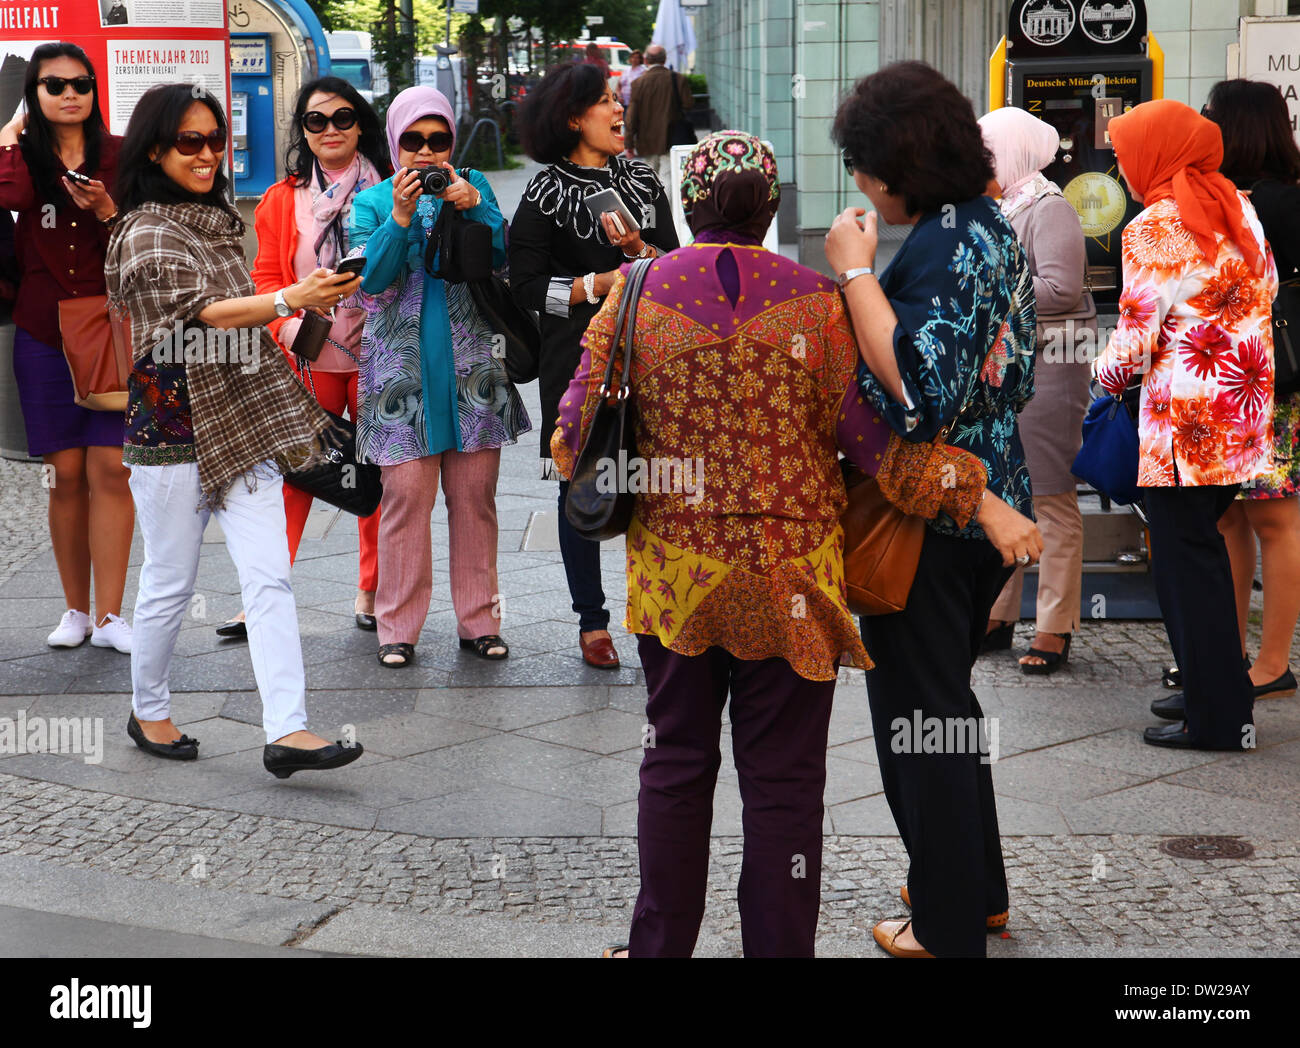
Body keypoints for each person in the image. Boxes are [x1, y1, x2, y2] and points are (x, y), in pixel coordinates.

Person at [552, 131, 997, 957]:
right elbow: (876, 450)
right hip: (796, 586)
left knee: (675, 768)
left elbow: (573, 438)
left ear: (687, 202)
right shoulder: (821, 303)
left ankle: (658, 947)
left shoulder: (637, 292)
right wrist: (981, 500)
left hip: (676, 584)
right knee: (786, 789)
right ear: (770, 209)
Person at [827, 61, 1043, 958]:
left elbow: (916, 392)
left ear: (896, 168)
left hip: (937, 519)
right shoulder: (986, 222)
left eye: (864, 167)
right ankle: (975, 893)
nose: (860, 185)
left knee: (922, 731)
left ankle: (949, 922)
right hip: (981, 502)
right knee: (944, 715)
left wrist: (854, 276)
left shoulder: (949, 242)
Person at [106, 83, 364, 777]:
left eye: (215, 141)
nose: (207, 154)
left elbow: (243, 316)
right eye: (190, 142)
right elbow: (202, 314)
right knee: (169, 580)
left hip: (241, 421)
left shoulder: (219, 220)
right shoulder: (143, 232)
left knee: (269, 577)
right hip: (171, 429)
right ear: (155, 149)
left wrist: (295, 316)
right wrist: (287, 296)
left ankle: (288, 730)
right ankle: (149, 708)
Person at [1093, 98, 1276, 751]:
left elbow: (1136, 337)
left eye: (1123, 154)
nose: (1119, 166)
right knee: (1202, 561)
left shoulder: (1158, 226)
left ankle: (1219, 719)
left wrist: (1100, 380)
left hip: (1183, 430)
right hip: (1240, 418)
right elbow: (1269, 292)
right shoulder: (1239, 210)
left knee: (1185, 572)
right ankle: (1215, 693)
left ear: (1157, 152)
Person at [348, 86, 529, 668]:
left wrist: (472, 205)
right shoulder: (373, 202)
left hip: (473, 368)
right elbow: (368, 281)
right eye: (413, 141)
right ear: (395, 144)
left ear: (452, 140)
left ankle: (480, 620)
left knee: (476, 500)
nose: (426, 153)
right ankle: (397, 627)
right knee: (404, 501)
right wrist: (400, 218)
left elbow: (501, 257)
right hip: (400, 375)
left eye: (438, 140)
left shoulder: (471, 190)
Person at [510, 62, 678, 670]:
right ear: (574, 117)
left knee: (653, 482)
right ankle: (592, 622)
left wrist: (638, 251)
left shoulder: (642, 180)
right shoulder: (543, 192)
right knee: (577, 483)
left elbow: (678, 269)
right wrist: (594, 284)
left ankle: (653, 611)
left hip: (648, 357)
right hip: (577, 361)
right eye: (606, 101)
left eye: (618, 100)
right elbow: (524, 288)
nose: (619, 111)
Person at [215, 77, 392, 640]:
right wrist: (292, 329)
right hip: (309, 358)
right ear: (305, 132)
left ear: (360, 122)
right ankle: (264, 595)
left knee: (379, 476)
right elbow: (266, 278)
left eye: (342, 118)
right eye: (317, 121)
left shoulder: (393, 191)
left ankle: (373, 589)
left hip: (381, 355)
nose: (331, 130)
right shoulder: (281, 198)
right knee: (294, 477)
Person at [0, 43, 134, 654]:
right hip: (42, 332)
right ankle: (75, 610)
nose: (70, 93)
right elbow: (14, 202)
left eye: (81, 82)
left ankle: (111, 617)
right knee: (64, 473)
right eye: (53, 86)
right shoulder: (21, 157)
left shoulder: (119, 154)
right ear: (36, 94)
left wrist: (107, 208)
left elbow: (141, 231)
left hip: (110, 328)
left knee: (111, 468)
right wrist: (10, 136)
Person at [1182, 80, 1297, 705]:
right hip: (1247, 378)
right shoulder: (1250, 198)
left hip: (1269, 380)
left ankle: (1272, 660)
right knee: (1232, 518)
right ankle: (1226, 651)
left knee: (1270, 519)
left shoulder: (1263, 203)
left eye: (1211, 117)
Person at [979, 106, 1096, 674]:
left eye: (987, 153)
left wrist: (988, 290)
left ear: (1013, 154)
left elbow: (1060, 287)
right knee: (1007, 491)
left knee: (1049, 497)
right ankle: (999, 613)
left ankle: (1053, 626)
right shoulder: (1006, 206)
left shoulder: (1049, 208)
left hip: (1049, 369)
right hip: (1011, 370)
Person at [625, 45, 693, 186]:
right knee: (668, 176)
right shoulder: (678, 79)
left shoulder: (638, 83)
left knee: (650, 176)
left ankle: (654, 206)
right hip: (673, 136)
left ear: (645, 60)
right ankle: (668, 207)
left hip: (647, 139)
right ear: (664, 59)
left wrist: (629, 143)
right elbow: (688, 104)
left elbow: (631, 116)